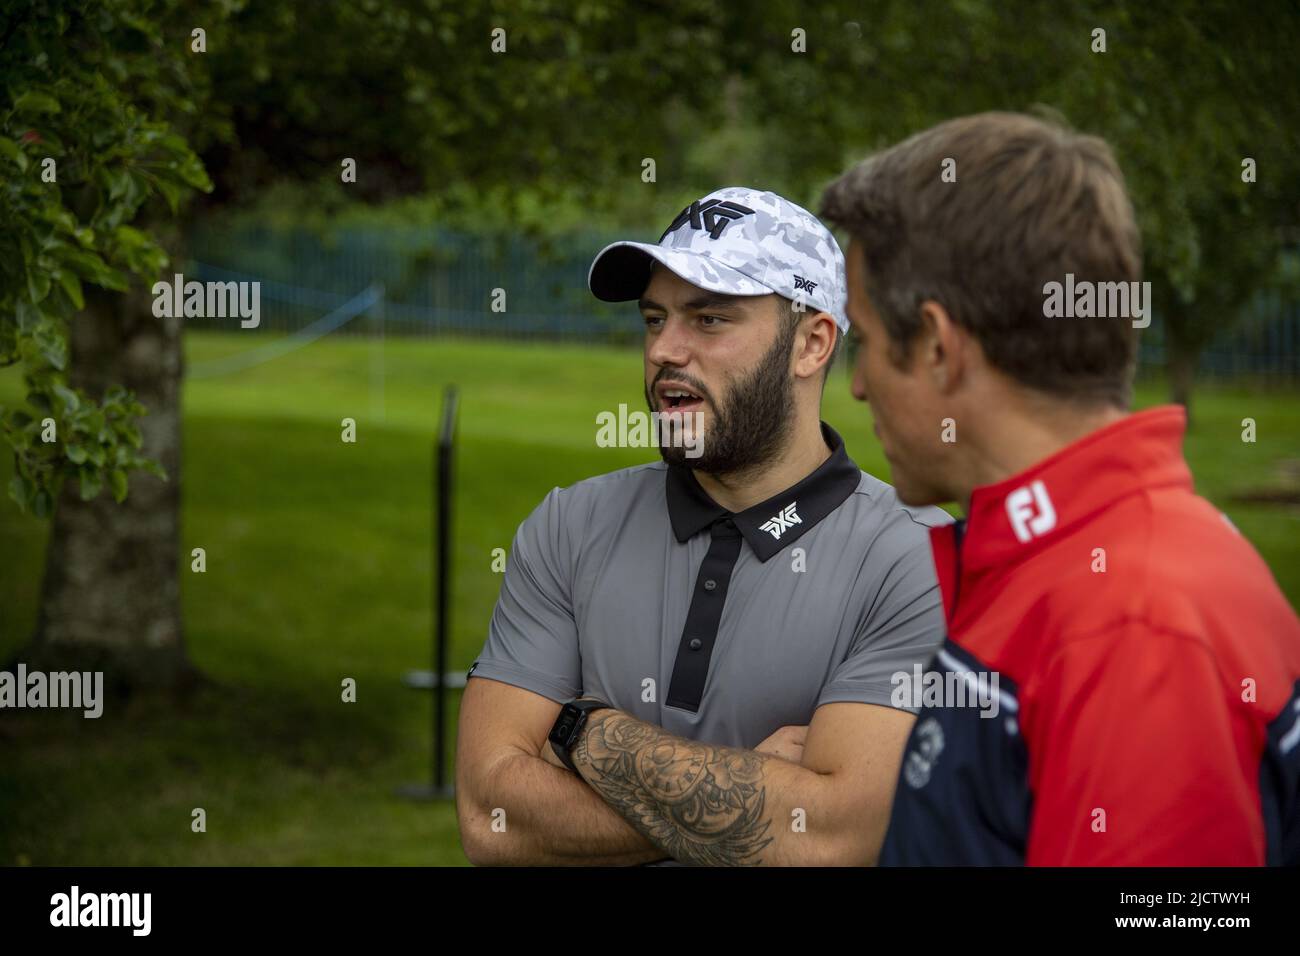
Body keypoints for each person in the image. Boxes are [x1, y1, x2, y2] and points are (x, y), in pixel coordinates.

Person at [820, 111, 1300, 865]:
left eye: (866, 343)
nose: (855, 387)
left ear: (941, 349)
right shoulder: (1073, 567)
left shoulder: (1129, 627)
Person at [455, 186, 951, 865]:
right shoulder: (569, 524)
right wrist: (750, 781)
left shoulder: (918, 557)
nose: (665, 350)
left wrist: (581, 734)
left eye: (708, 320)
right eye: (654, 319)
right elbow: (493, 816)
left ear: (810, 344)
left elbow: (834, 835)